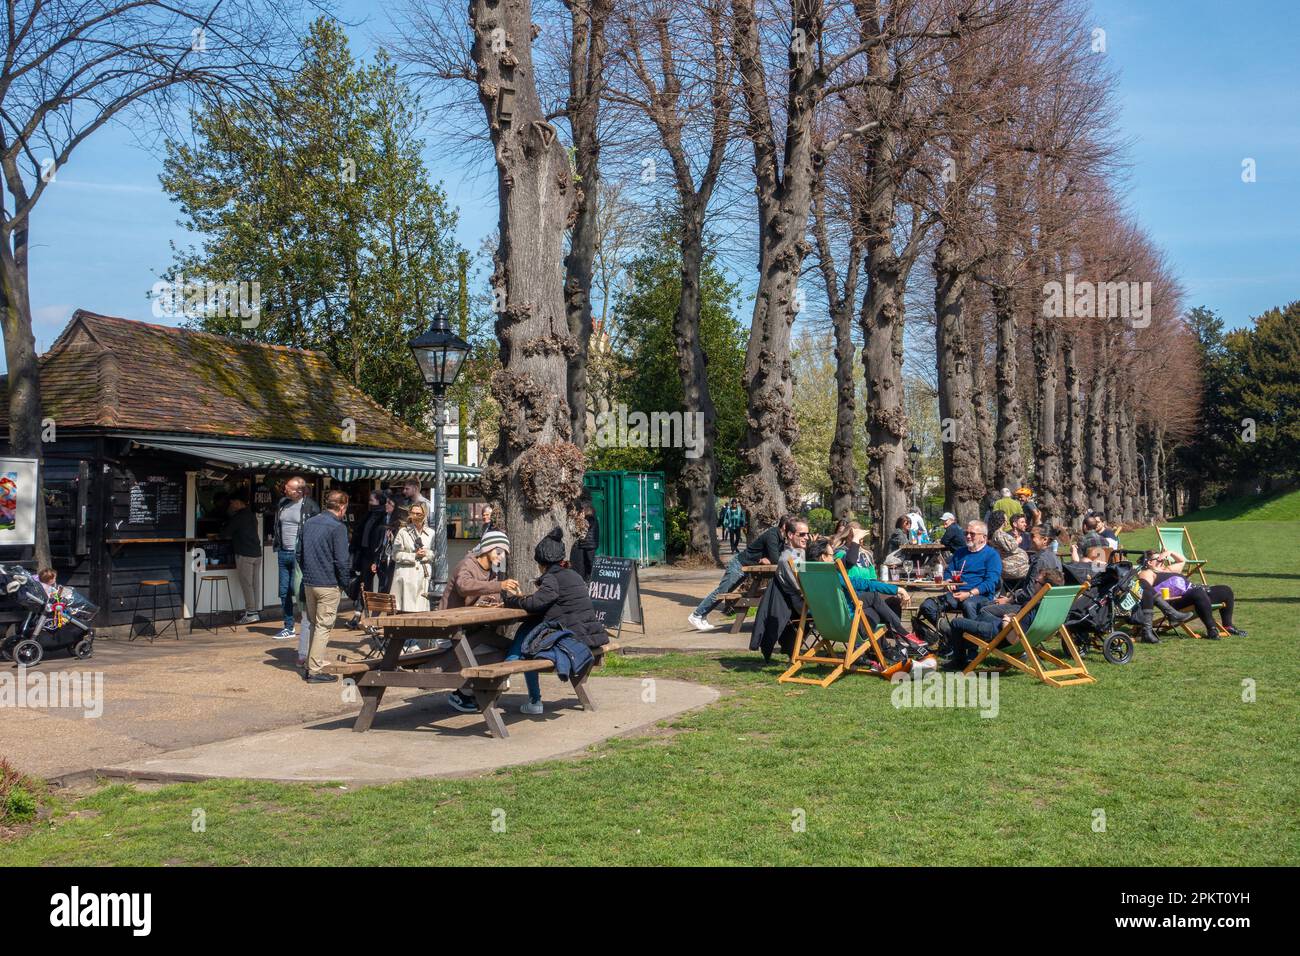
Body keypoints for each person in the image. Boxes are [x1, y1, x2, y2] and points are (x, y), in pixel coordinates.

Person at [501, 528, 606, 715]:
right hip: (589, 636)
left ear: (542, 564)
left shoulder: (552, 578)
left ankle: (522, 685)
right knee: (530, 630)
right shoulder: (573, 575)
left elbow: (535, 603)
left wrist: (511, 599)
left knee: (527, 642)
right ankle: (509, 666)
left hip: (572, 639)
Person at [442, 530, 519, 713]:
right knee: (493, 651)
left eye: (504, 554)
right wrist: (499, 586)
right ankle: (463, 693)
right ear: (487, 549)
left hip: (472, 629)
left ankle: (479, 691)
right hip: (452, 630)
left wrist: (502, 600)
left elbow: (489, 593)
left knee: (510, 648)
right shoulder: (467, 565)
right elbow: (464, 587)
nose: (501, 557)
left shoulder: (491, 572)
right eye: (498, 552)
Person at [946, 567, 1065, 670]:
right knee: (983, 614)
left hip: (1000, 634)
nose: (1033, 583)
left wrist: (1007, 620)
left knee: (957, 623)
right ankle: (966, 646)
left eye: (1036, 581)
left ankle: (959, 661)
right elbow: (1049, 635)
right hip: (1023, 635)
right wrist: (1014, 617)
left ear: (1044, 587)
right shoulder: (1050, 605)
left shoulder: (1033, 605)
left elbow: (1013, 639)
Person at [689, 515, 793, 631]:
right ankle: (697, 615)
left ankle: (702, 616)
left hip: (745, 566)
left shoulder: (780, 538)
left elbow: (781, 557)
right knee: (722, 591)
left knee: (725, 591)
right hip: (739, 564)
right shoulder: (772, 535)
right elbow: (776, 558)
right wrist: (771, 559)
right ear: (784, 526)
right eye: (791, 526)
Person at [298, 489, 352, 683]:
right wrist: (345, 584)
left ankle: (310, 664)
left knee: (314, 624)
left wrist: (307, 572)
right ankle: (314, 670)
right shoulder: (338, 527)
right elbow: (342, 561)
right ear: (342, 506)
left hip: (310, 581)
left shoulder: (310, 523)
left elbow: (299, 553)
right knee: (323, 626)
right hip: (328, 583)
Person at [916, 520, 1002, 639]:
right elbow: (948, 571)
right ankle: (952, 636)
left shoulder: (992, 555)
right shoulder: (960, 552)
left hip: (979, 597)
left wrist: (969, 594)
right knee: (928, 605)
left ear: (983, 537)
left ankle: (973, 647)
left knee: (969, 604)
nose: (967, 536)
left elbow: (991, 582)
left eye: (972, 534)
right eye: (966, 533)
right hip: (956, 595)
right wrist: (949, 580)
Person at [1134, 549, 1240, 642]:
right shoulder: (1148, 572)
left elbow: (1182, 560)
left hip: (1197, 594)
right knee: (1198, 592)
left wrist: (1169, 552)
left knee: (1226, 590)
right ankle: (1211, 629)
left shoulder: (1168, 569)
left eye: (1162, 558)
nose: (1162, 560)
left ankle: (1228, 625)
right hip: (1176, 601)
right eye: (1158, 559)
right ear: (1149, 562)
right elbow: (1146, 589)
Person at [750, 519, 809, 660]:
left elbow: (803, 581)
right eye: (802, 534)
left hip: (801, 602)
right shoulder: (787, 559)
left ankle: (790, 646)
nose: (806, 537)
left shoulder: (799, 554)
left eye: (807, 534)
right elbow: (800, 586)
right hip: (799, 604)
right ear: (790, 535)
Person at [272, 477, 319, 640]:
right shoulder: (283, 503)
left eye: (289, 488)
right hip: (283, 552)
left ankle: (307, 622)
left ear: (300, 491)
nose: (286, 490)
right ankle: (288, 626)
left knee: (299, 590)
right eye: (286, 488)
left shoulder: (310, 506)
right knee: (284, 591)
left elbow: (316, 531)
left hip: (299, 554)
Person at [223, 494, 263, 626]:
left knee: (247, 584)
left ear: (239, 502)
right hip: (257, 552)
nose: (231, 505)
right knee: (255, 583)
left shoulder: (239, 516)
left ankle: (251, 613)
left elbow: (226, 533)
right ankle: (255, 611)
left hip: (245, 553)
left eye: (232, 502)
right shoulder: (251, 515)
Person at [390, 503, 435, 612]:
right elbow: (395, 554)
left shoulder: (431, 533)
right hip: (406, 578)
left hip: (423, 578)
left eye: (418, 513)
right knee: (405, 611)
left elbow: (434, 554)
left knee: (421, 611)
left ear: (424, 515)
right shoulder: (403, 532)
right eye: (413, 513)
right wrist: (414, 556)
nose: (415, 516)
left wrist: (426, 554)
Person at [987, 510, 1029, 592]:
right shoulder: (999, 534)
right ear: (1001, 520)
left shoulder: (998, 534)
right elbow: (1010, 548)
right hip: (1011, 568)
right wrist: (1017, 541)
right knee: (1035, 570)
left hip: (1013, 566)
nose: (1006, 520)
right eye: (1005, 517)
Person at [569, 501, 599, 581]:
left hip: (588, 545)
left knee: (589, 565)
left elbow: (586, 525)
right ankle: (587, 579)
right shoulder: (591, 515)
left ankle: (589, 580)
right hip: (588, 544)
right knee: (587, 564)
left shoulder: (589, 516)